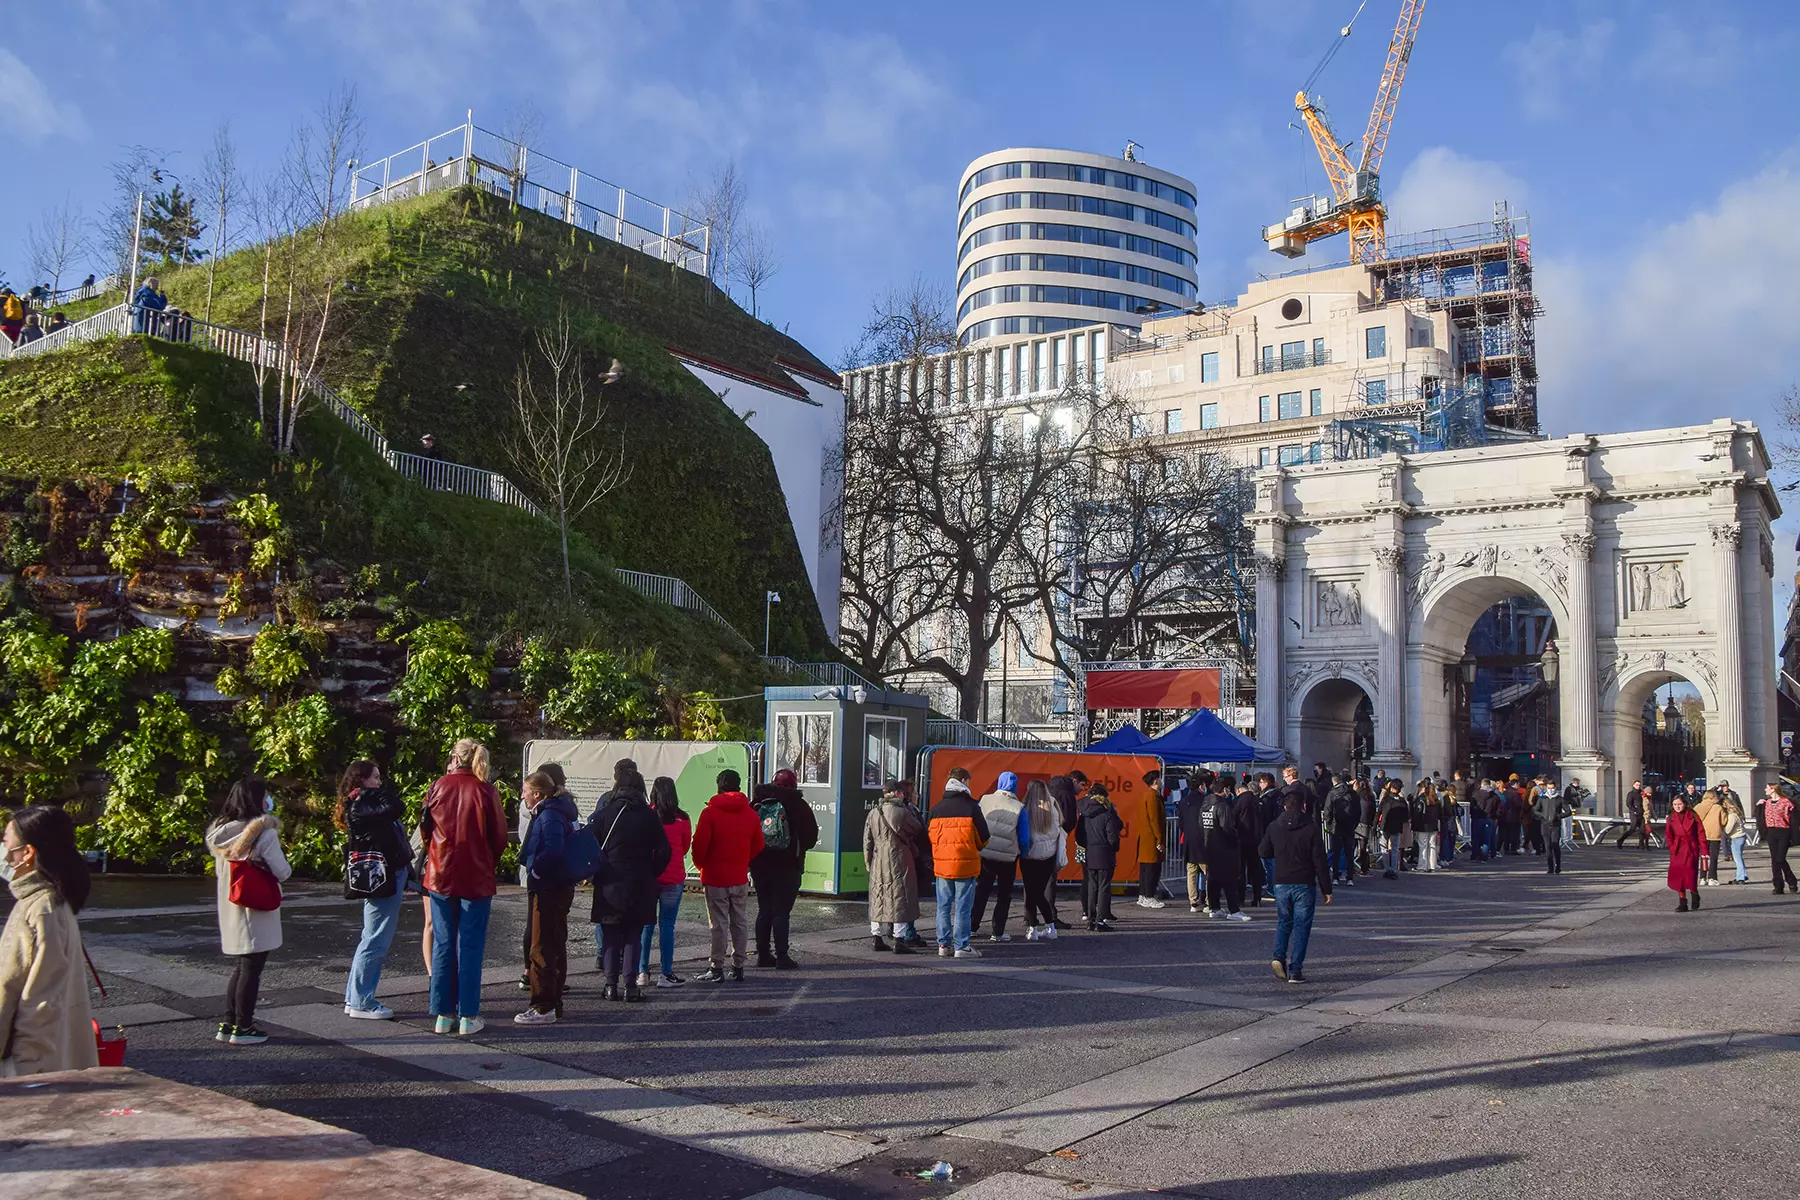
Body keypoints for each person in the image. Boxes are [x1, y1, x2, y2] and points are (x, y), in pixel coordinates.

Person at [0, 805, 98, 1074]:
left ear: (27, 852)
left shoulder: (43, 908)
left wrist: (26, 1068)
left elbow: (41, 1001)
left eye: (6, 841)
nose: (3, 850)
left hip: (29, 1062)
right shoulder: (39, 902)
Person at [421, 739, 506, 1036]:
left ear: (455, 759)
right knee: (470, 946)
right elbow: (499, 837)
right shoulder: (486, 790)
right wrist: (486, 860)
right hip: (477, 877)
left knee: (444, 944)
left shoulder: (438, 786)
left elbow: (425, 828)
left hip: (441, 874)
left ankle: (443, 1015)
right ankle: (468, 1015)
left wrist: (435, 856)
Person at [206, 777, 292, 1046]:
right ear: (256, 799)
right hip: (256, 906)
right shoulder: (263, 832)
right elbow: (282, 871)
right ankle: (244, 1025)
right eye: (266, 795)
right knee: (252, 969)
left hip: (231, 907)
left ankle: (230, 1021)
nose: (269, 799)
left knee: (242, 967)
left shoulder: (220, 832)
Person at [588, 765, 671, 999]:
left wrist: (596, 872)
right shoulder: (649, 816)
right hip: (640, 882)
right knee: (634, 936)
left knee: (611, 935)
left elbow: (590, 845)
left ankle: (610, 985)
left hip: (609, 882)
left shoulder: (605, 813)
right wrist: (651, 871)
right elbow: (664, 851)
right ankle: (630, 987)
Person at [337, 760, 409, 1020]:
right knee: (375, 938)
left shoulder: (364, 803)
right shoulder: (361, 805)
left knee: (372, 935)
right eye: (375, 778)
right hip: (380, 877)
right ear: (361, 780)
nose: (380, 782)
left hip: (386, 874)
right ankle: (362, 1000)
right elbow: (396, 807)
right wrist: (372, 793)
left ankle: (354, 997)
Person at [516, 770, 579, 1023]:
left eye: (525, 791)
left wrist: (537, 870)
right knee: (553, 943)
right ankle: (552, 1002)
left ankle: (543, 1006)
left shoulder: (549, 815)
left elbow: (553, 849)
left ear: (538, 794)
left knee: (541, 946)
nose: (523, 796)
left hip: (548, 887)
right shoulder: (558, 811)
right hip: (558, 886)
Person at [692, 769, 763, 981]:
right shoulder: (750, 814)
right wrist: (743, 860)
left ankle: (717, 967)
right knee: (739, 922)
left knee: (719, 924)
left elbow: (700, 846)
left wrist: (702, 865)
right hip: (739, 875)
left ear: (719, 786)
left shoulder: (710, 813)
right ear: (739, 786)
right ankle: (739, 965)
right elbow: (758, 845)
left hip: (715, 877)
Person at [1259, 791, 1333, 984]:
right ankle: (1296, 969)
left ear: (1284, 806)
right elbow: (1319, 861)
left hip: (1281, 880)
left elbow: (1263, 850)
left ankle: (1278, 956)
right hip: (1304, 881)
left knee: (1284, 921)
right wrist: (1327, 888)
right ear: (1304, 806)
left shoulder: (1274, 826)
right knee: (1302, 926)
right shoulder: (1311, 828)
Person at [750, 769, 819, 969]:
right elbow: (811, 838)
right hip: (788, 866)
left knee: (764, 910)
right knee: (781, 912)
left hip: (760, 864)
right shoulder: (799, 805)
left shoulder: (756, 802)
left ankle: (763, 954)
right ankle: (782, 955)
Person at [928, 767, 991, 955]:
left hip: (942, 865)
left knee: (943, 906)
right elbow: (984, 838)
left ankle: (943, 945)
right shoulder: (972, 807)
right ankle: (961, 945)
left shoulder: (936, 809)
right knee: (963, 907)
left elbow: (930, 837)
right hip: (966, 864)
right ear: (963, 781)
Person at [639, 776, 691, 988]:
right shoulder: (682, 818)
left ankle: (642, 972)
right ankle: (666, 973)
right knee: (667, 926)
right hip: (673, 877)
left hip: (650, 877)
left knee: (646, 926)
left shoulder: (647, 816)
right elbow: (685, 846)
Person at [865, 781, 924, 952]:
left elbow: (867, 840)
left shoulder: (873, 813)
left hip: (878, 859)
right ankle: (899, 939)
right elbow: (917, 828)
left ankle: (876, 936)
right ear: (897, 793)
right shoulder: (902, 812)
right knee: (901, 897)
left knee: (878, 896)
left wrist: (868, 861)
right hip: (900, 858)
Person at [973, 770, 1029, 940]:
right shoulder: (1019, 808)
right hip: (1008, 857)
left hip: (986, 853)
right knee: (1004, 894)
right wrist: (1022, 853)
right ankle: (998, 931)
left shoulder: (984, 800)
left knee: (982, 890)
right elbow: (1024, 837)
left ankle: (972, 927)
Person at [1019, 779, 1064, 939]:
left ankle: (1033, 928)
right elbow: (1059, 829)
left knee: (1031, 893)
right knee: (1039, 892)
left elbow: (1023, 835)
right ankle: (1050, 926)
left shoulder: (1025, 808)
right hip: (1048, 856)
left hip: (1029, 856)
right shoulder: (1054, 806)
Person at [1075, 783, 1123, 931]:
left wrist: (1087, 847)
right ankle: (1100, 921)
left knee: (1092, 886)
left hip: (1090, 852)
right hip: (1105, 853)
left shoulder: (1084, 813)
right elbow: (1113, 836)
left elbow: (1079, 835)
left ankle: (1090, 919)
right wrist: (1114, 848)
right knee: (1104, 887)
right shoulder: (1107, 813)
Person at [1202, 780, 1249, 921]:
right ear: (1224, 790)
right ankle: (1233, 910)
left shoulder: (1205, 805)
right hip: (1224, 848)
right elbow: (1227, 828)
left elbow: (1200, 824)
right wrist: (1235, 842)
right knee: (1230, 879)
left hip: (1209, 845)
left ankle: (1214, 907)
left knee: (1213, 879)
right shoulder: (1222, 806)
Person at [1047, 771, 1086, 927]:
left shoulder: (1049, 788)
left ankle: (1029, 917)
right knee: (1050, 878)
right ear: (1074, 781)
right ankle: (1051, 917)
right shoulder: (1067, 794)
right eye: (1082, 785)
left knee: (1034, 879)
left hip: (1039, 836)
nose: (1082, 789)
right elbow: (1069, 819)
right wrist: (1064, 832)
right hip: (1055, 837)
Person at [1176, 772, 1212, 913]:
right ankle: (1209, 901)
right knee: (1208, 872)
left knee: (1191, 872)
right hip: (1204, 839)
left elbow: (1181, 823)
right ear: (1202, 786)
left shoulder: (1184, 801)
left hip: (1189, 840)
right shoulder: (1206, 800)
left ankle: (1193, 902)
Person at [1664, 793, 1705, 912]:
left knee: (1690, 874)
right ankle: (1682, 902)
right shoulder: (1671, 817)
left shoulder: (1692, 815)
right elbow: (1668, 834)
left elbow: (1701, 833)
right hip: (1677, 849)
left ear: (1685, 804)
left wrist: (1704, 850)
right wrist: (1671, 847)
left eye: (1680, 804)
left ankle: (1694, 893)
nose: (1677, 807)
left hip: (1690, 848)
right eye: (1675, 804)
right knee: (1678, 877)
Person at [1132, 770, 1168, 908]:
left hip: (1145, 836)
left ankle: (1143, 895)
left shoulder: (1146, 794)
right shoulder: (1153, 796)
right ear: (1155, 781)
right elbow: (1154, 819)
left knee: (1145, 868)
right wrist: (1159, 839)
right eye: (1159, 779)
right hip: (1152, 837)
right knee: (1152, 868)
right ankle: (1149, 896)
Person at [1235, 776, 1272, 906]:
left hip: (1242, 839)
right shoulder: (1259, 801)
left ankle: (1240, 898)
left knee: (1240, 870)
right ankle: (1257, 898)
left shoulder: (1239, 801)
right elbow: (1266, 818)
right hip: (1258, 839)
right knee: (1255, 869)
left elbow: (1234, 819)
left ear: (1238, 790)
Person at [1760, 783, 1797, 895]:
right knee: (1774, 860)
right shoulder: (1766, 803)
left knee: (1780, 858)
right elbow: (1760, 816)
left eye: (1767, 788)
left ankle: (1791, 880)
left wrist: (1794, 835)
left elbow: (1794, 817)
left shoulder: (1786, 802)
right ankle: (1778, 885)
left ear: (1773, 789)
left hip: (1783, 831)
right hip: (1771, 832)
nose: (1765, 790)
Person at [1534, 780, 1569, 875]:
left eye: (1552, 788)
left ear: (1555, 788)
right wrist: (1542, 815)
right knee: (1547, 846)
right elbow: (1536, 810)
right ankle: (1550, 867)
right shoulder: (1542, 799)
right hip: (1545, 825)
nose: (1550, 790)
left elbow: (1568, 811)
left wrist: (1558, 816)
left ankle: (1558, 865)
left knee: (1555, 845)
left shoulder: (1559, 799)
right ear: (1546, 788)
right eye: (1549, 788)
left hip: (1555, 825)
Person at [1692, 789, 1724, 887]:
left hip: (1702, 835)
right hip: (1714, 835)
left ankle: (1702, 877)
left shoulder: (1698, 807)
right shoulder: (1718, 807)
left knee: (1704, 856)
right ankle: (1712, 878)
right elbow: (1723, 821)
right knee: (1714, 857)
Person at [1378, 782, 1409, 879]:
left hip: (1385, 826)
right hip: (1396, 826)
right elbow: (1406, 817)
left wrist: (1375, 825)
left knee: (1384, 849)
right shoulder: (1401, 801)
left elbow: (1379, 812)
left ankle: (1387, 869)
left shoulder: (1386, 800)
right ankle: (1394, 869)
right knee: (1395, 849)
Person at [1412, 780, 1441, 872]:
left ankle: (1422, 865)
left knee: (1423, 845)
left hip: (1423, 824)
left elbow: (1417, 813)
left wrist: (1414, 824)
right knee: (1432, 845)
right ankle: (1432, 865)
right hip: (1434, 824)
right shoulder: (1435, 799)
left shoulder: (1421, 799)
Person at [1720, 792, 1749, 885]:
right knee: (1739, 857)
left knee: (1737, 858)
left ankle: (1740, 877)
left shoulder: (1732, 815)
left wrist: (1722, 827)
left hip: (1737, 837)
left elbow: (1728, 830)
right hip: (1740, 836)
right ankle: (1741, 875)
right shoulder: (1736, 813)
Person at [1616, 779, 1650, 849]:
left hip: (1642, 814)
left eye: (1639, 785)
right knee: (1632, 829)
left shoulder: (1642, 793)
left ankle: (1641, 844)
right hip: (1634, 814)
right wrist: (1634, 810)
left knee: (1642, 830)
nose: (1638, 786)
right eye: (1637, 785)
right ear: (1633, 785)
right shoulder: (1631, 794)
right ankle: (1620, 840)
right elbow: (1628, 804)